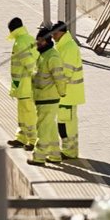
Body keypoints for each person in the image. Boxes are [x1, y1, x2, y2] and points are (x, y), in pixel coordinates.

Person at [29, 26, 67, 166]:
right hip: (43, 98)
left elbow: (59, 77)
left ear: (47, 41)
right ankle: (55, 155)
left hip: (48, 98)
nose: (37, 43)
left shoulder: (52, 56)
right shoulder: (44, 55)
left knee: (43, 128)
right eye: (37, 40)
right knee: (49, 127)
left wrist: (62, 92)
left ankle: (39, 156)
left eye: (40, 41)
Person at [51, 21, 84, 160]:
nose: (52, 37)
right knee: (64, 124)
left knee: (67, 125)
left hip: (68, 94)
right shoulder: (63, 46)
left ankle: (70, 151)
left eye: (54, 34)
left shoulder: (69, 48)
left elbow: (66, 73)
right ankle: (69, 150)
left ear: (61, 32)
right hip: (65, 94)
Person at [5, 17, 38, 150]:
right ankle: (21, 138)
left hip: (25, 85)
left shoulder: (19, 42)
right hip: (24, 85)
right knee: (23, 113)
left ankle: (33, 140)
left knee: (28, 114)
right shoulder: (29, 38)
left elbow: (29, 63)